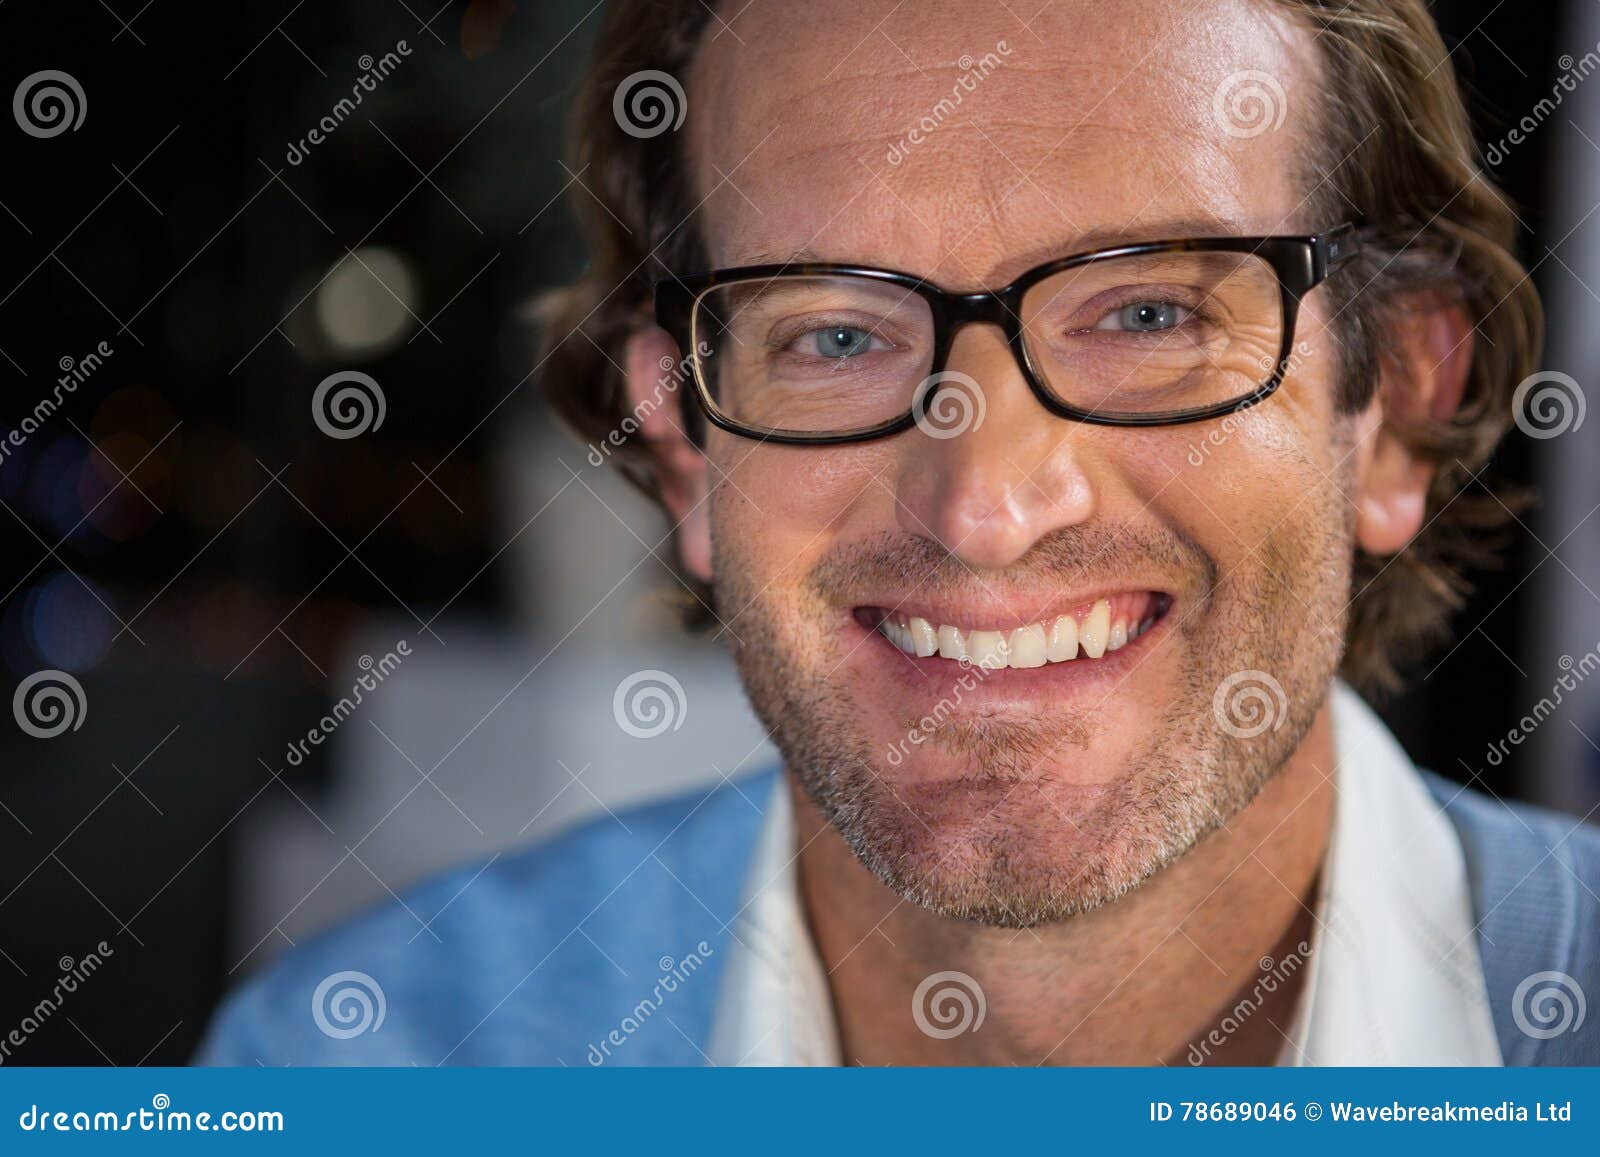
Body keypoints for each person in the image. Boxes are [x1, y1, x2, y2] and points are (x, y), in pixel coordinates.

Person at [198, 0, 1599, 1066]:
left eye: (1151, 312)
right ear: (685, 444)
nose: (984, 506)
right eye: (836, 332)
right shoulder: (363, 1063)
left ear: (1399, 404)